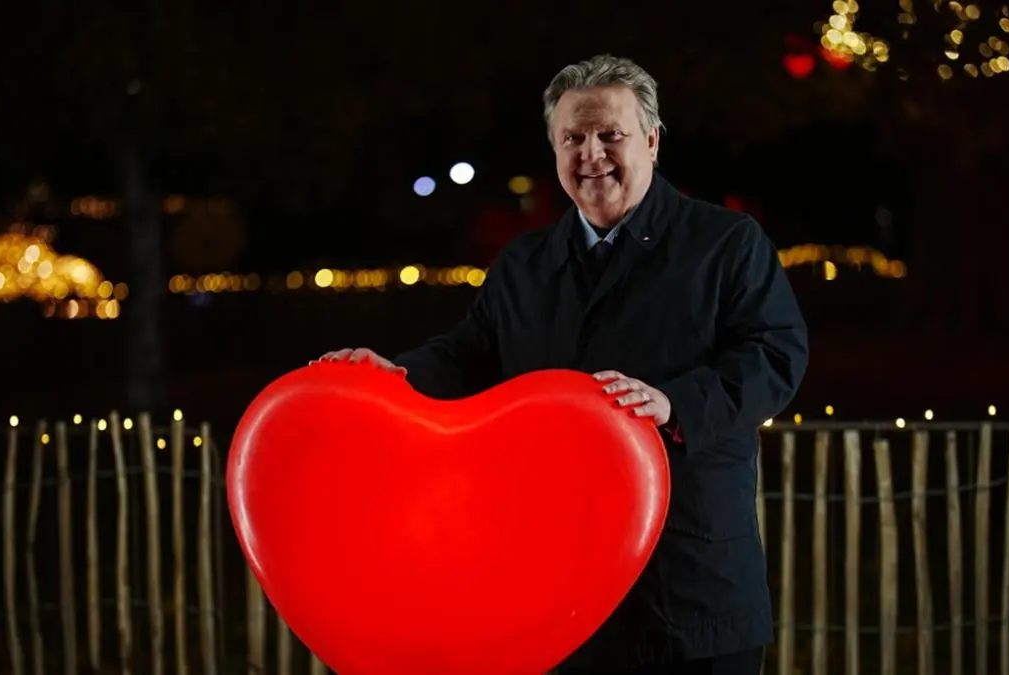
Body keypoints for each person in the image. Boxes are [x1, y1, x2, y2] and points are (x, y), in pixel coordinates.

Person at [320, 54, 809, 675]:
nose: (591, 153)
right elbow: (470, 352)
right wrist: (391, 377)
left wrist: (675, 403)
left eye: (611, 135)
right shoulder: (523, 263)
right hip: (552, 592)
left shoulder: (724, 243)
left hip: (689, 586)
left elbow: (775, 353)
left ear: (653, 141)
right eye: (572, 138)